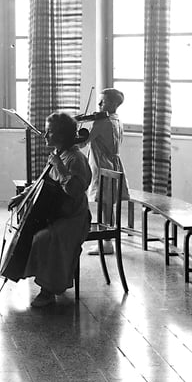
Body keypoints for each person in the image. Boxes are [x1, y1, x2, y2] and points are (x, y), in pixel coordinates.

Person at [8, 111, 92, 309]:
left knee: (44, 239)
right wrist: (23, 195)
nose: (45, 136)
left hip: (73, 217)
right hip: (57, 212)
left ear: (62, 136)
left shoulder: (75, 159)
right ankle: (44, 281)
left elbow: (74, 190)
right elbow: (42, 183)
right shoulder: (57, 154)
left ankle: (49, 290)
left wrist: (61, 167)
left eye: (49, 132)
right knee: (30, 233)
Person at [81, 88, 128, 256]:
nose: (99, 104)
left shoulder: (101, 122)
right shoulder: (116, 120)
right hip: (113, 164)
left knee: (103, 205)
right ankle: (108, 240)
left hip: (101, 166)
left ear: (114, 104)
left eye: (104, 102)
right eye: (99, 101)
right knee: (108, 204)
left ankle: (106, 242)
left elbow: (83, 143)